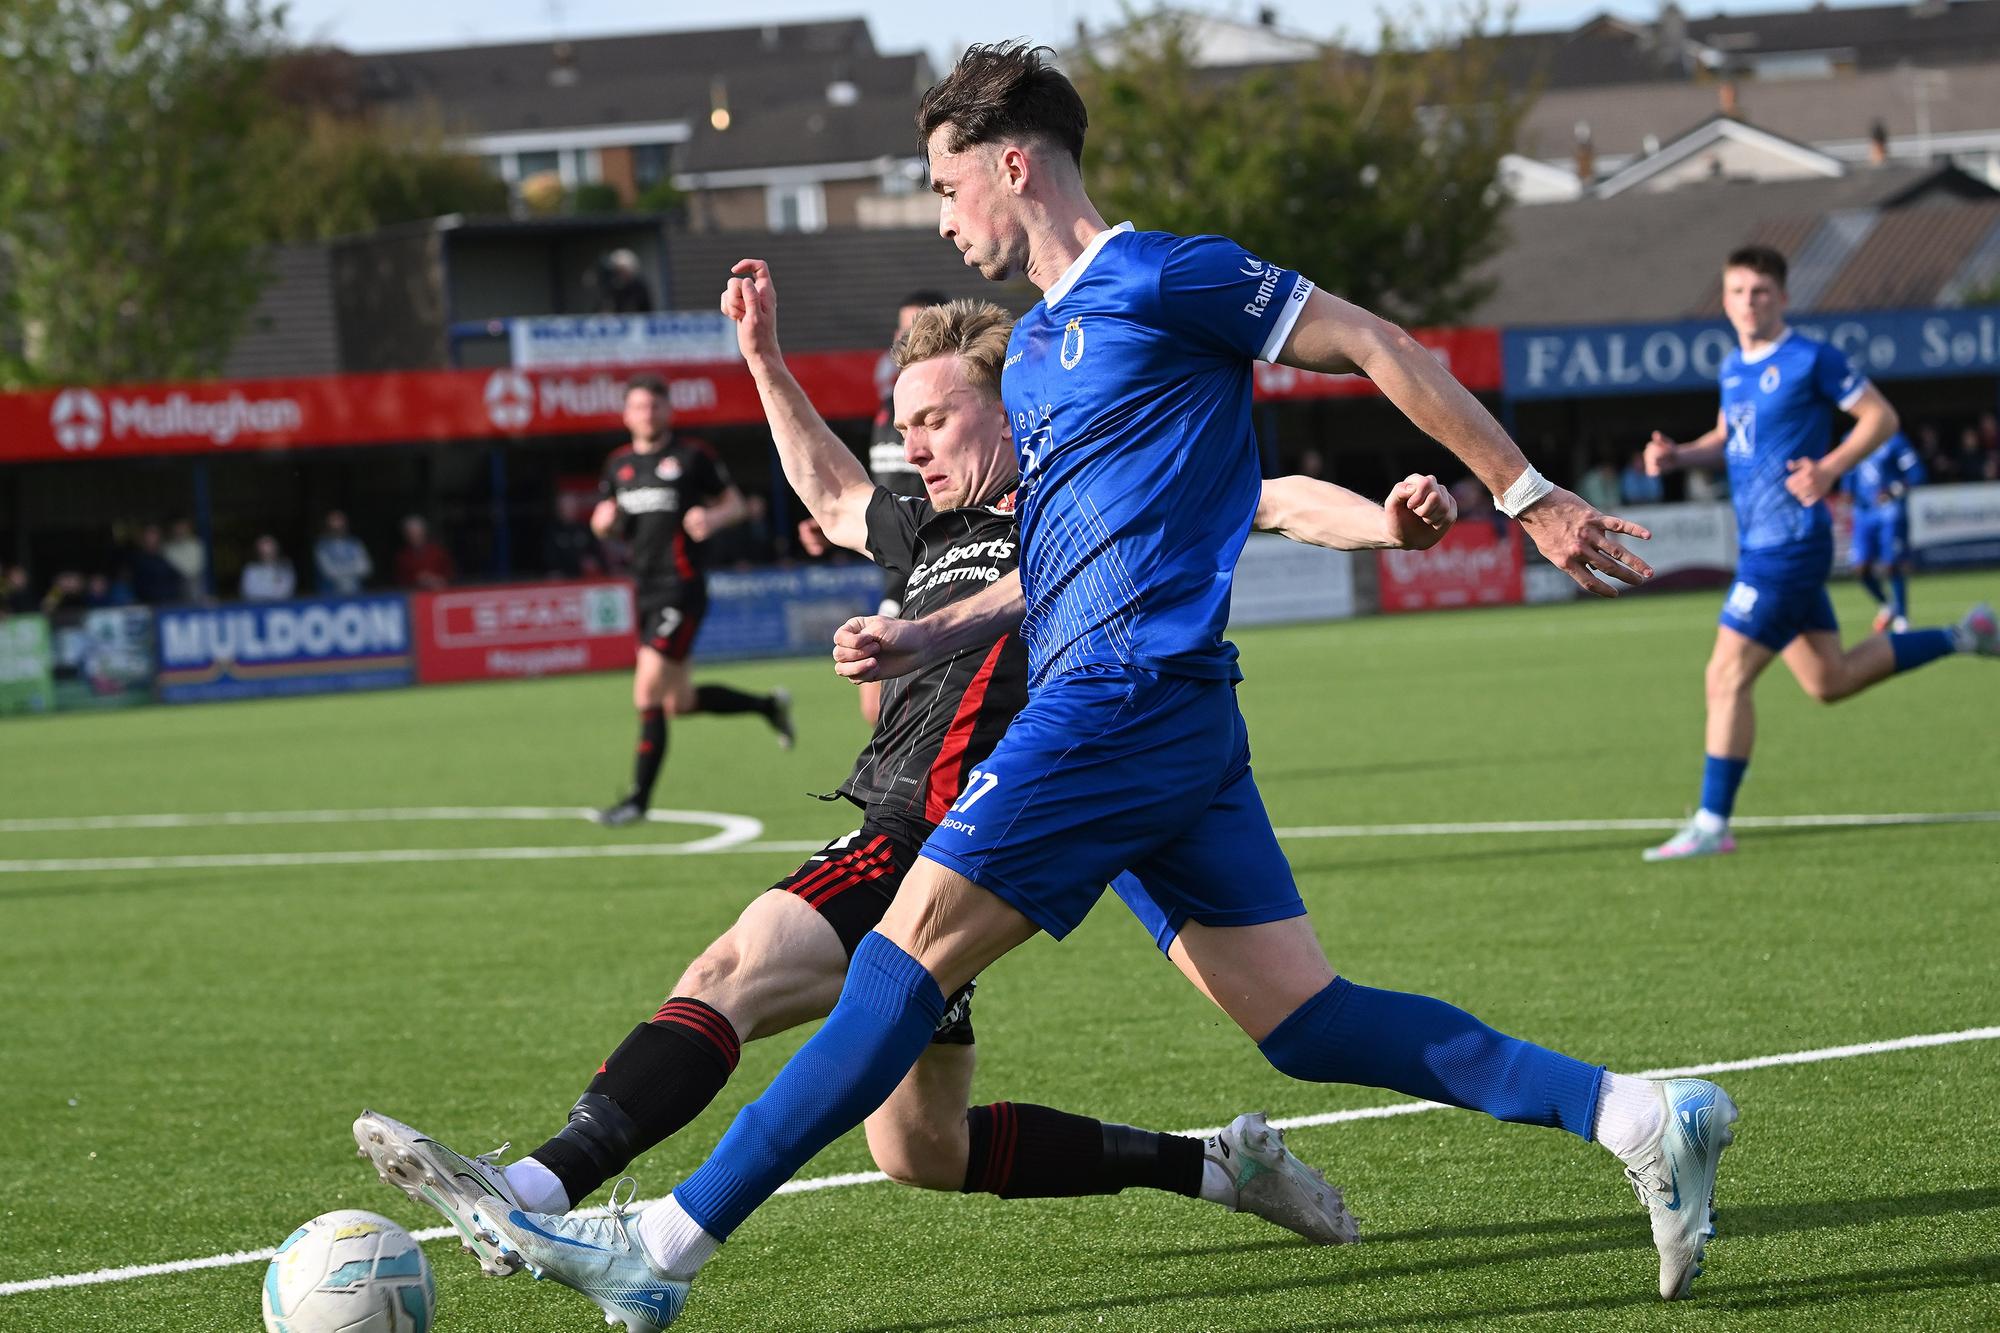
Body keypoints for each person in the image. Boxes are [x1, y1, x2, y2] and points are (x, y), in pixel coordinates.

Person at [467, 44, 1747, 1330]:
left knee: (901, 958)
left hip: (1124, 698)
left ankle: (665, 1248)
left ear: (1010, 162)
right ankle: (1636, 1112)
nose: (939, 208)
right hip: (1165, 715)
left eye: (942, 180)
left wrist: (1524, 496)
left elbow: (1371, 344)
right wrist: (934, 634)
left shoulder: (1164, 275)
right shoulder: (1027, 358)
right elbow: (1073, 559)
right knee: (1301, 1020)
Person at [354, 274, 1472, 1290]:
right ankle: (1219, 1167)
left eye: (932, 420)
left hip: (945, 826)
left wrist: (1381, 523)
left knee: (736, 963)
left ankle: (539, 1189)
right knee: (921, 1150)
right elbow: (830, 489)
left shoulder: (1086, 506)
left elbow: (1268, 495)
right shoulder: (923, 530)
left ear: (1007, 405)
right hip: (951, 851)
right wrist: (763, 360)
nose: (912, 448)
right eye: (901, 429)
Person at [1641, 247, 1997, 863]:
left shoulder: (1811, 358)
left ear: (1781, 296)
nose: (1748, 302)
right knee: (1829, 680)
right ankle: (1964, 636)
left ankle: (1711, 823)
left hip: (1787, 546)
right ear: (1724, 301)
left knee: (1724, 677)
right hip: (1764, 543)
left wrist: (1831, 468)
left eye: (1760, 291)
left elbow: (1880, 418)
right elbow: (1730, 440)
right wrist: (1680, 456)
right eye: (1737, 292)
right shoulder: (1733, 368)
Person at [588, 373, 794, 828]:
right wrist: (601, 524)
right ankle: (768, 707)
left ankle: (637, 801)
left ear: (668, 411)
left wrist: (713, 517)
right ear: (626, 415)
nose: (647, 414)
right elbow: (608, 521)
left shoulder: (691, 456)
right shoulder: (618, 465)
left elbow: (736, 504)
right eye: (639, 407)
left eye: (655, 406)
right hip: (644, 590)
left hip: (682, 588)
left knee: (647, 691)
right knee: (678, 702)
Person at [856, 288, 952, 728]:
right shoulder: (883, 414)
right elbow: (882, 491)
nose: (909, 337)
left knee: (880, 697)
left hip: (942, 560)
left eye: (921, 326)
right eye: (904, 328)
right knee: (879, 705)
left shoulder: (960, 411)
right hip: (897, 563)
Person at [1841, 430, 1925, 633]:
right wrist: (1847, 492)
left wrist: (1893, 490)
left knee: (1891, 564)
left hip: (1890, 512)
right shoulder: (1851, 438)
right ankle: (1888, 605)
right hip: (1863, 512)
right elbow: (1848, 470)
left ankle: (1902, 618)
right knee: (1860, 568)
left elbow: (1917, 473)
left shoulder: (1895, 441)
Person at [314, 511, 373, 594]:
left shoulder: (355, 543)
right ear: (327, 525)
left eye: (340, 522)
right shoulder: (322, 546)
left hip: (357, 592)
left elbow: (366, 568)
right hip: (330, 595)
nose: (337, 526)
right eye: (333, 522)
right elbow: (328, 572)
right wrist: (353, 569)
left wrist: (342, 570)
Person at [126, 523, 184, 605]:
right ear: (143, 538)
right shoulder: (137, 559)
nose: (152, 538)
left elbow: (176, 577)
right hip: (149, 603)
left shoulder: (164, 557)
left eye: (155, 534)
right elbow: (140, 585)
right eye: (149, 535)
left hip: (170, 601)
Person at [394, 516, 455, 591]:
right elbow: (400, 580)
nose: (414, 536)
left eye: (417, 532)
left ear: (424, 532)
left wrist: (437, 580)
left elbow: (450, 573)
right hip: (414, 594)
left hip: (439, 592)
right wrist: (418, 580)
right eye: (410, 533)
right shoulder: (402, 556)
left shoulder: (438, 551)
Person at [239, 534, 296, 602]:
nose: (267, 552)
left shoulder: (285, 567)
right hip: (257, 608)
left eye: (270, 547)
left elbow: (286, 591)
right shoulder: (250, 569)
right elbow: (249, 591)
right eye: (263, 547)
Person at [162, 517, 206, 600]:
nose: (180, 530)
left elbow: (196, 569)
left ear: (188, 528)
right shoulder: (167, 548)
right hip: (176, 587)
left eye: (182, 527)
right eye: (177, 527)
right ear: (172, 529)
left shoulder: (197, 545)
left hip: (196, 584)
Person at [599, 249, 655, 314]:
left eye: (623, 270)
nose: (620, 273)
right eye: (618, 270)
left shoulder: (639, 287)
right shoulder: (612, 287)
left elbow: (647, 309)